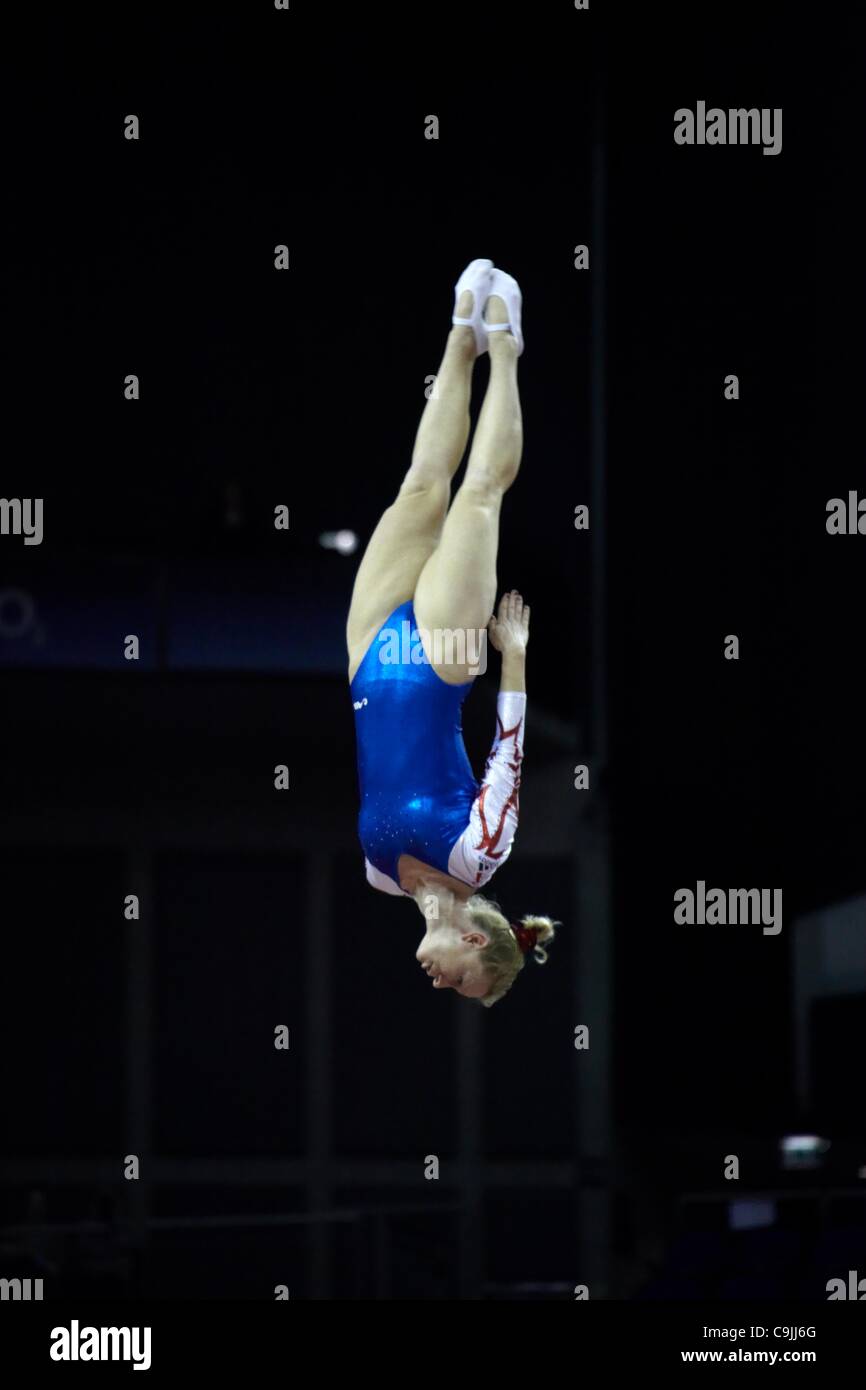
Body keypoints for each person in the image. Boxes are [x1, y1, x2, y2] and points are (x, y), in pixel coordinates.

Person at [347, 260, 558, 1005]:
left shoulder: (377, 875)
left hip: (370, 658)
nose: (443, 985)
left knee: (418, 484)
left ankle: (459, 337)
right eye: (464, 981)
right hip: (442, 661)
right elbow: (508, 753)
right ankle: (505, 349)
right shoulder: (480, 857)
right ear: (476, 940)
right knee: (476, 496)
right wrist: (516, 659)